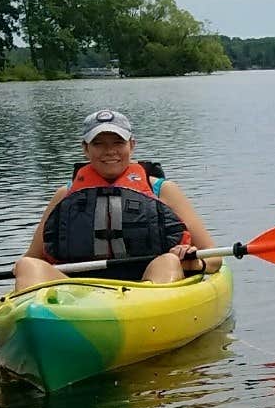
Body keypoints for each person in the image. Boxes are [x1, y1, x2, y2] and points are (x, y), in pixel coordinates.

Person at [12, 108, 216, 293]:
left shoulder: (163, 190)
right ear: (85, 148)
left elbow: (214, 259)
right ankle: (36, 321)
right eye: (98, 144)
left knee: (169, 262)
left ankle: (146, 317)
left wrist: (192, 261)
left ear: (132, 145)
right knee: (26, 266)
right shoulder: (65, 195)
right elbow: (32, 257)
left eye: (118, 142)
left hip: (147, 287)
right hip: (78, 292)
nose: (109, 151)